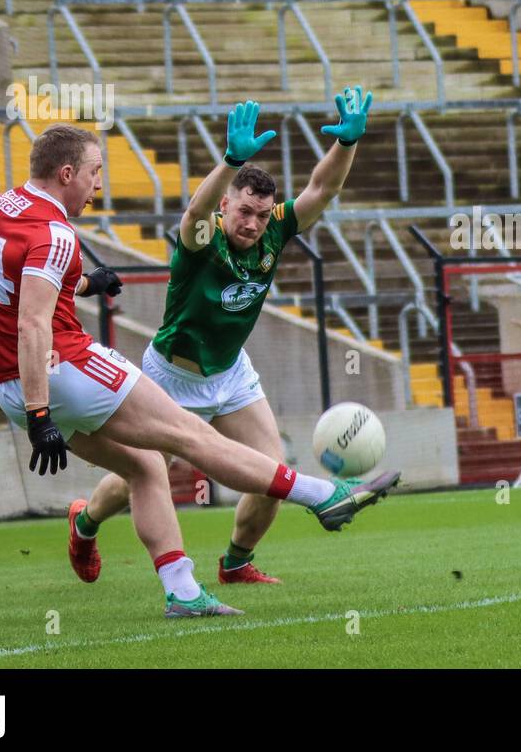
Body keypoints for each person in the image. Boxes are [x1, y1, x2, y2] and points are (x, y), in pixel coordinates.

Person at [0, 121, 385, 618]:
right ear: (66, 172)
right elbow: (33, 321)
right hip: (76, 369)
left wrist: (84, 285)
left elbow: (14, 285)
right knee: (190, 441)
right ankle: (323, 494)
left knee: (146, 467)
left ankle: (190, 586)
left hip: (19, 383)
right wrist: (41, 414)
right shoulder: (75, 231)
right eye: (95, 173)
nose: (99, 184)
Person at [69, 90, 398, 587]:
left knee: (272, 473)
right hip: (172, 378)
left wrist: (348, 144)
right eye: (243, 210)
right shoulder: (204, 240)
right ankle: (85, 522)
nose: (252, 222)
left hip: (232, 374)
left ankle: (237, 562)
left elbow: (321, 190)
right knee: (139, 475)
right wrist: (230, 161)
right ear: (227, 204)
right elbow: (195, 214)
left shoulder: (273, 232)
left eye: (261, 214)